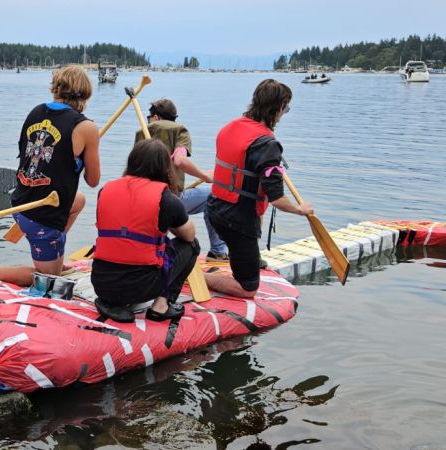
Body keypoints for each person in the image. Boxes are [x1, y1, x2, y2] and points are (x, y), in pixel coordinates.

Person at [0, 65, 101, 286]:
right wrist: (84, 154)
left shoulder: (36, 112)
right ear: (85, 93)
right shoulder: (86, 127)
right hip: (43, 212)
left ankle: (53, 246)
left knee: (78, 201)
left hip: (21, 202)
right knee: (49, 279)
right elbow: (93, 180)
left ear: (56, 88)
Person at [205, 79, 314, 298]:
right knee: (249, 289)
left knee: (247, 251)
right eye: (286, 108)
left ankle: (245, 262)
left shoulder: (231, 127)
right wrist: (300, 209)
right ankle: (197, 276)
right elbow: (276, 199)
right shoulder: (267, 145)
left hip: (215, 209)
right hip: (237, 222)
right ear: (280, 107)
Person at [91, 139, 199, 323]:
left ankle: (111, 302)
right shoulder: (167, 200)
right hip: (141, 287)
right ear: (164, 167)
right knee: (192, 246)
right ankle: (161, 305)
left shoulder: (105, 190)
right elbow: (189, 235)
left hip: (101, 282)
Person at [135, 98, 229, 261]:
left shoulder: (142, 132)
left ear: (156, 117)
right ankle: (218, 252)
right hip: (169, 199)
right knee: (215, 193)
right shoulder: (180, 130)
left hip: (142, 198)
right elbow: (179, 160)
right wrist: (206, 176)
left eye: (149, 117)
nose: (148, 121)